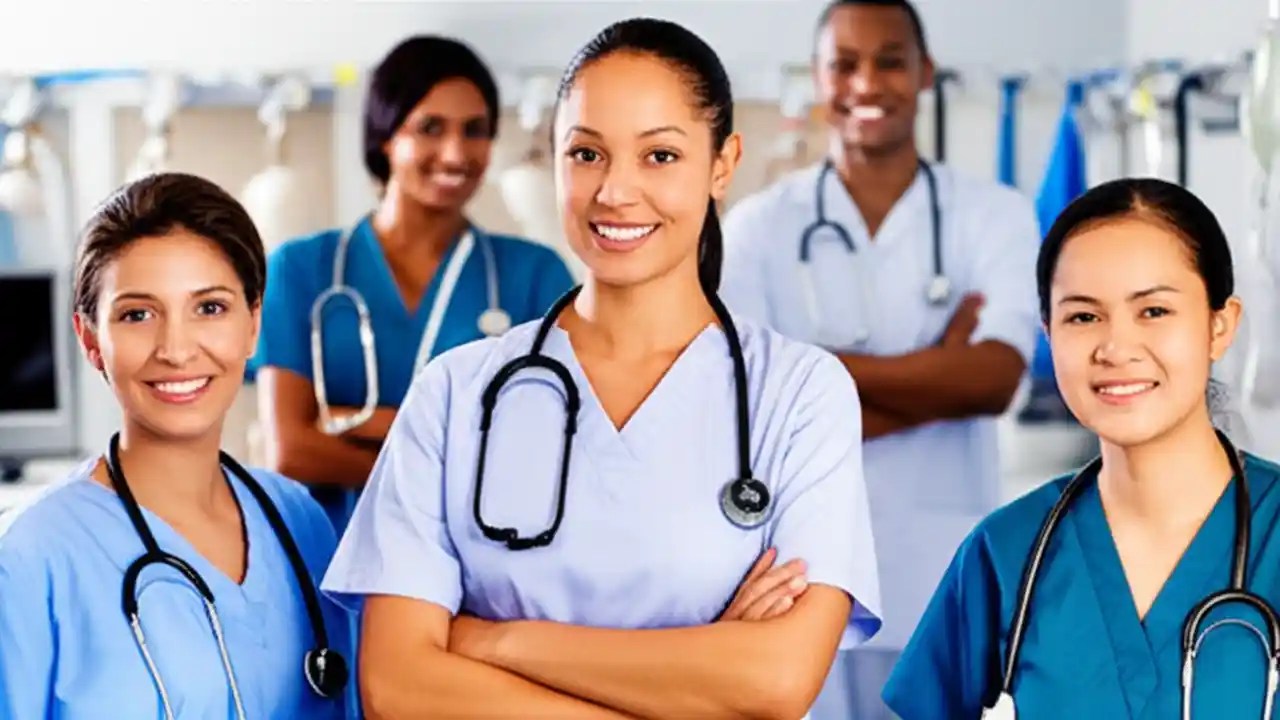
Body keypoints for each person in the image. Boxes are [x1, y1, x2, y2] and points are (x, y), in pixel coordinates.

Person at [320, 17, 882, 719]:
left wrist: (497, 642)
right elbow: (398, 686)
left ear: (723, 163)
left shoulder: (798, 393)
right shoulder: (456, 392)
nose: (615, 191)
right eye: (586, 154)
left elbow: (776, 679)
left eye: (660, 157)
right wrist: (698, 674)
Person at [716, 1, 1041, 716]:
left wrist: (810, 382)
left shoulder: (991, 214)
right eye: (846, 64)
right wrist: (936, 370)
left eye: (891, 61)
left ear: (924, 73)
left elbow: (992, 380)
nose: (869, 82)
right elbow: (742, 410)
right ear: (818, 78)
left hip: (940, 573)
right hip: (794, 577)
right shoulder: (759, 228)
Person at [882, 177, 1280, 718]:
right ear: (1049, 333)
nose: (1115, 348)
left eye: (1154, 311)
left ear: (1219, 325)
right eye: (1083, 317)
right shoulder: (1005, 554)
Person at [0, 172, 353, 719]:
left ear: (254, 323)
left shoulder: (298, 522)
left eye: (209, 307)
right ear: (91, 340)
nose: (176, 349)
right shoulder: (30, 556)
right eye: (137, 314)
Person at [252, 35, 576, 538]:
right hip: (326, 559)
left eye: (475, 130)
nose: (455, 152)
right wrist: (451, 467)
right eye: (430, 128)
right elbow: (291, 450)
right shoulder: (301, 270)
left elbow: (536, 449)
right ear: (385, 137)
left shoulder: (534, 276)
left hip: (472, 570)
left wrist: (354, 421)